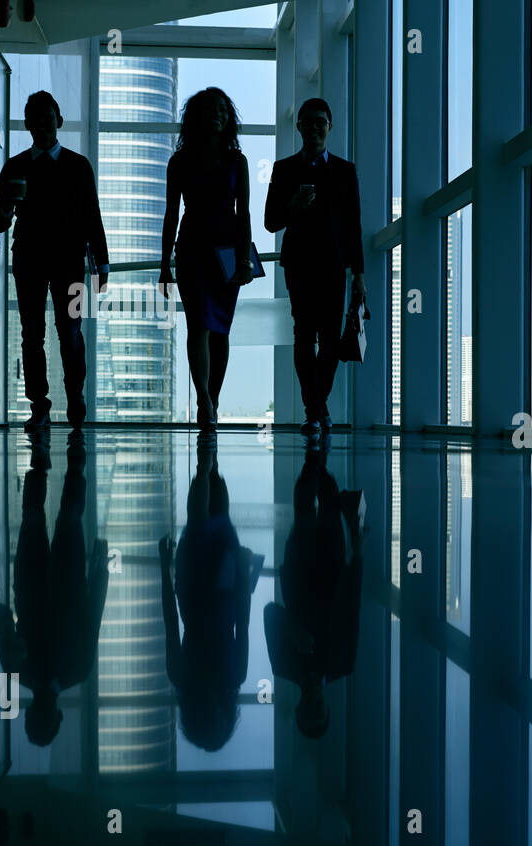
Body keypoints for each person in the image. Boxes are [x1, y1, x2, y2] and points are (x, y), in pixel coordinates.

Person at [0, 91, 109, 432]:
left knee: (69, 331)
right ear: (27, 124)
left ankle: (74, 394)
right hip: (29, 259)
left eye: (47, 116)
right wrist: (7, 207)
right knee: (32, 334)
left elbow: (91, 216)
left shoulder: (77, 166)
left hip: (69, 260)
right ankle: (40, 404)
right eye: (35, 117)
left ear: (58, 121)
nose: (41, 123)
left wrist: (102, 264)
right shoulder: (15, 166)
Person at [0, 430, 108, 746]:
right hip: (32, 583)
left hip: (66, 579)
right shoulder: (18, 669)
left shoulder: (78, 670)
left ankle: (72, 451)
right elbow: (0, 616)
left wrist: (100, 575)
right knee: (36, 517)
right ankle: (42, 454)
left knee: (67, 516)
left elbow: (92, 616)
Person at [264, 97, 366, 434]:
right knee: (304, 337)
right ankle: (316, 410)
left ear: (330, 126)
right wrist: (292, 205)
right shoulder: (284, 169)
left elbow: (354, 225)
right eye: (308, 121)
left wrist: (359, 274)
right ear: (299, 127)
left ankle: (314, 407)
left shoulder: (345, 171)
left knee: (330, 341)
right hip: (300, 266)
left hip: (334, 267)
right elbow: (269, 222)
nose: (314, 127)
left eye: (320, 121)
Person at [161, 432, 264, 752]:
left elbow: (242, 624)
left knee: (212, 517)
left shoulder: (233, 678)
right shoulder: (185, 677)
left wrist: (243, 579)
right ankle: (207, 457)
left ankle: (208, 456)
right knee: (206, 518)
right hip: (199, 594)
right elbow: (169, 620)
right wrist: (164, 569)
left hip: (218, 592)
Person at [159, 88, 254, 430]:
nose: (217, 114)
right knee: (198, 324)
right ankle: (204, 401)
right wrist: (163, 263)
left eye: (222, 109)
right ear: (196, 116)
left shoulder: (237, 161)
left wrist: (244, 259)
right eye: (209, 109)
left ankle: (212, 399)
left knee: (220, 330)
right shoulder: (179, 161)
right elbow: (171, 213)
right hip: (192, 249)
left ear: (228, 117)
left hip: (228, 250)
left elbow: (244, 214)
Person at [263, 437, 365, 738]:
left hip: (300, 569)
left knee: (306, 504)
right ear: (326, 708)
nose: (310, 705)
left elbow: (270, 613)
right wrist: (357, 556)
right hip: (331, 568)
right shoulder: (342, 664)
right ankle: (317, 449)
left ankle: (315, 452)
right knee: (326, 501)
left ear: (297, 709)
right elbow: (353, 609)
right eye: (316, 711)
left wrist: (293, 628)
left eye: (305, 711)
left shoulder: (284, 665)